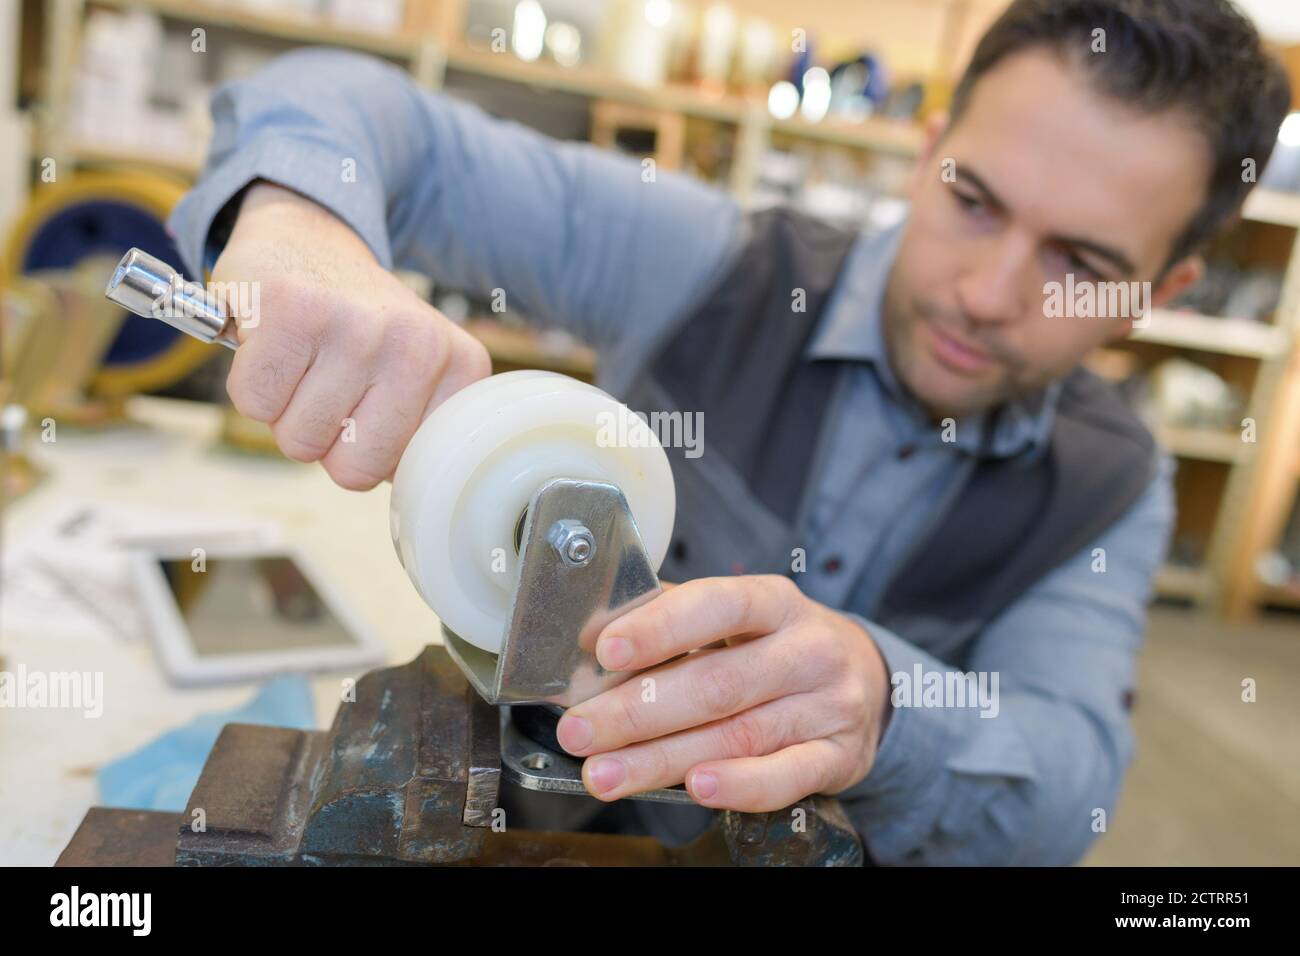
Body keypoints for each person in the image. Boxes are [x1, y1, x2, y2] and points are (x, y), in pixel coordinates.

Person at [170, 0, 1290, 863]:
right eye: (975, 200)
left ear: (1164, 286)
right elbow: (363, 107)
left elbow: (1068, 782)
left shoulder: (1111, 482)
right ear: (928, 149)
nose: (988, 293)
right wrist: (301, 221)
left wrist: (883, 705)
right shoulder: (710, 264)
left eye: (1080, 265)